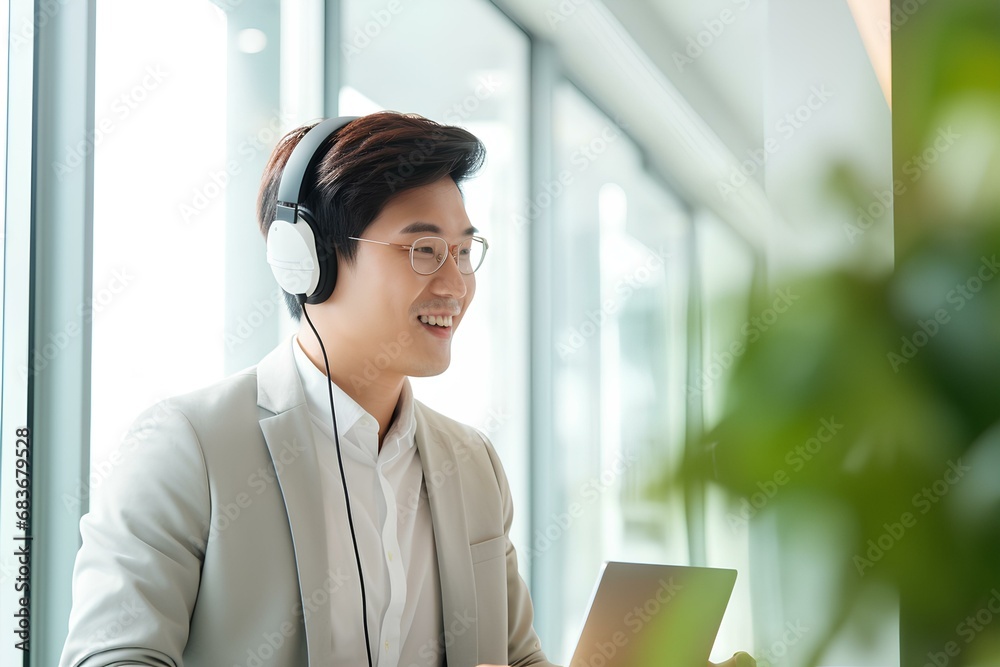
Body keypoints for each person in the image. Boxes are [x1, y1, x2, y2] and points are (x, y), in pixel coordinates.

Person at [60, 111, 754, 667]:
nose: (454, 284)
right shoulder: (188, 447)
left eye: (464, 249)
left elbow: (515, 657)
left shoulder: (472, 463)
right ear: (312, 260)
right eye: (423, 249)